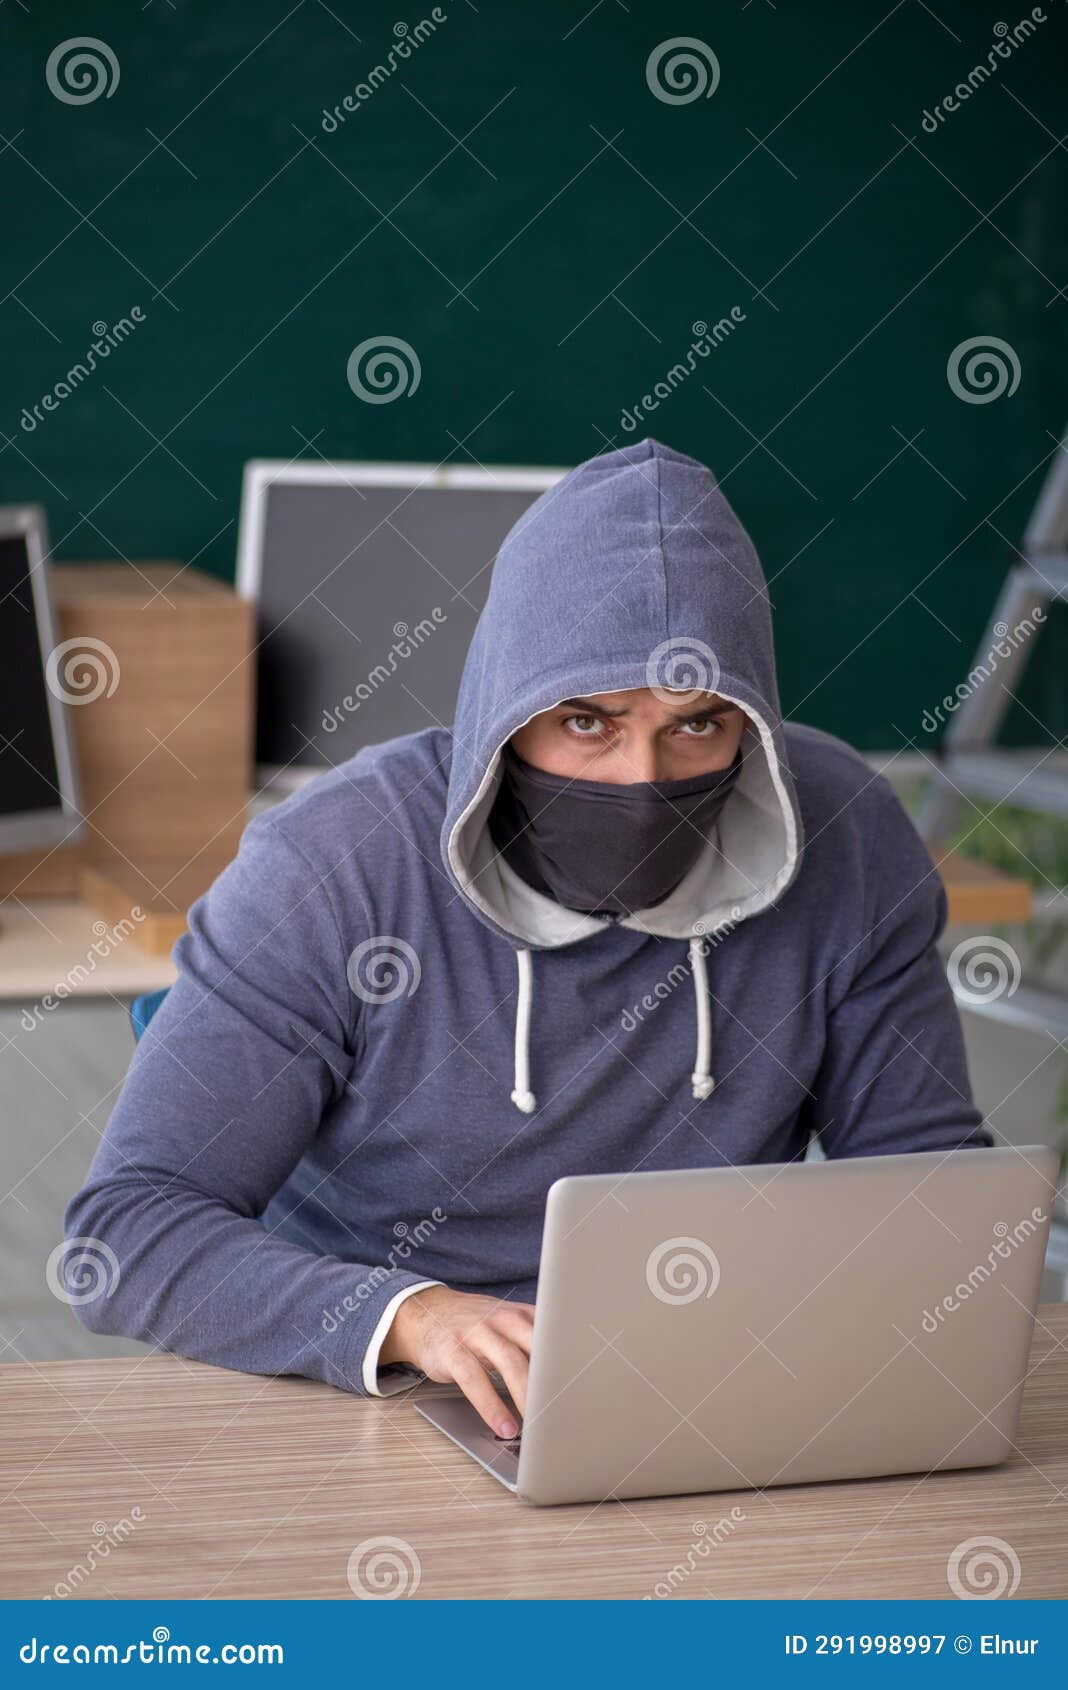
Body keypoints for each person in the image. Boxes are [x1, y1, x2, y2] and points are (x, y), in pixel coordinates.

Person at [65, 439, 987, 1440]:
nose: (644, 780)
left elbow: (926, 1194)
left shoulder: (846, 835)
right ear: (505, 716)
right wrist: (410, 1317)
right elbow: (127, 1232)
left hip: (709, 1392)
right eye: (588, 720)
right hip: (373, 1399)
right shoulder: (332, 865)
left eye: (700, 724)